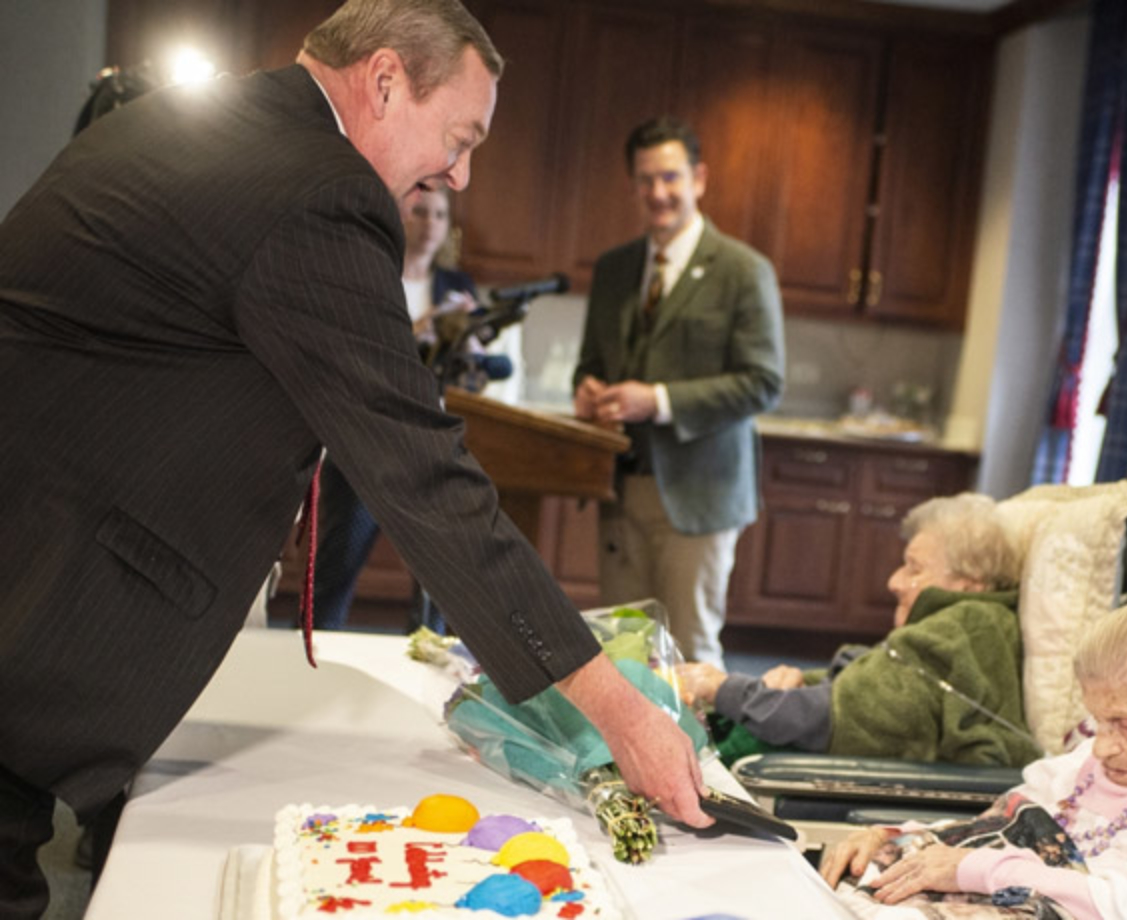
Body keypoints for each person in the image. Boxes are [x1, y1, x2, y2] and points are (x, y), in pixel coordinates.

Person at [0, 3, 708, 916]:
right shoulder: (318, 191)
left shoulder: (195, 121)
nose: (457, 173)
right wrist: (620, 709)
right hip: (36, 600)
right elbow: (424, 477)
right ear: (383, 81)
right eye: (460, 137)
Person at [820, 600, 1127, 919]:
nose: (1101, 746)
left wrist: (977, 869)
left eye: (1123, 725)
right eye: (1098, 721)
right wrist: (899, 838)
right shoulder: (1096, 756)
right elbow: (994, 830)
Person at [572, 116, 785, 670]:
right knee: (622, 653)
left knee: (689, 656)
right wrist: (586, 393)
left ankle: (694, 736)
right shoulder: (614, 270)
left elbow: (763, 382)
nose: (658, 193)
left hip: (700, 495)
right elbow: (590, 364)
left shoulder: (743, 271)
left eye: (670, 177)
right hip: (619, 490)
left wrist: (658, 400)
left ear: (699, 179)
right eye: (646, 180)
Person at [677, 494, 1043, 767]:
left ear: (970, 584)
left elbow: (829, 719)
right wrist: (804, 681)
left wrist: (720, 687)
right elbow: (878, 695)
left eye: (914, 569)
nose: (894, 581)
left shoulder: (968, 626)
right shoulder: (969, 625)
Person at [313, 185, 520, 631]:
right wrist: (418, 328)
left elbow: (481, 368)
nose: (430, 224)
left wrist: (468, 337)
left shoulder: (457, 286)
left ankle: (425, 657)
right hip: (366, 440)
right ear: (404, 213)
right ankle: (317, 646)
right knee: (340, 563)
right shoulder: (373, 272)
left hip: (431, 444)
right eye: (422, 212)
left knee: (439, 576)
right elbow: (351, 350)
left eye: (440, 215)